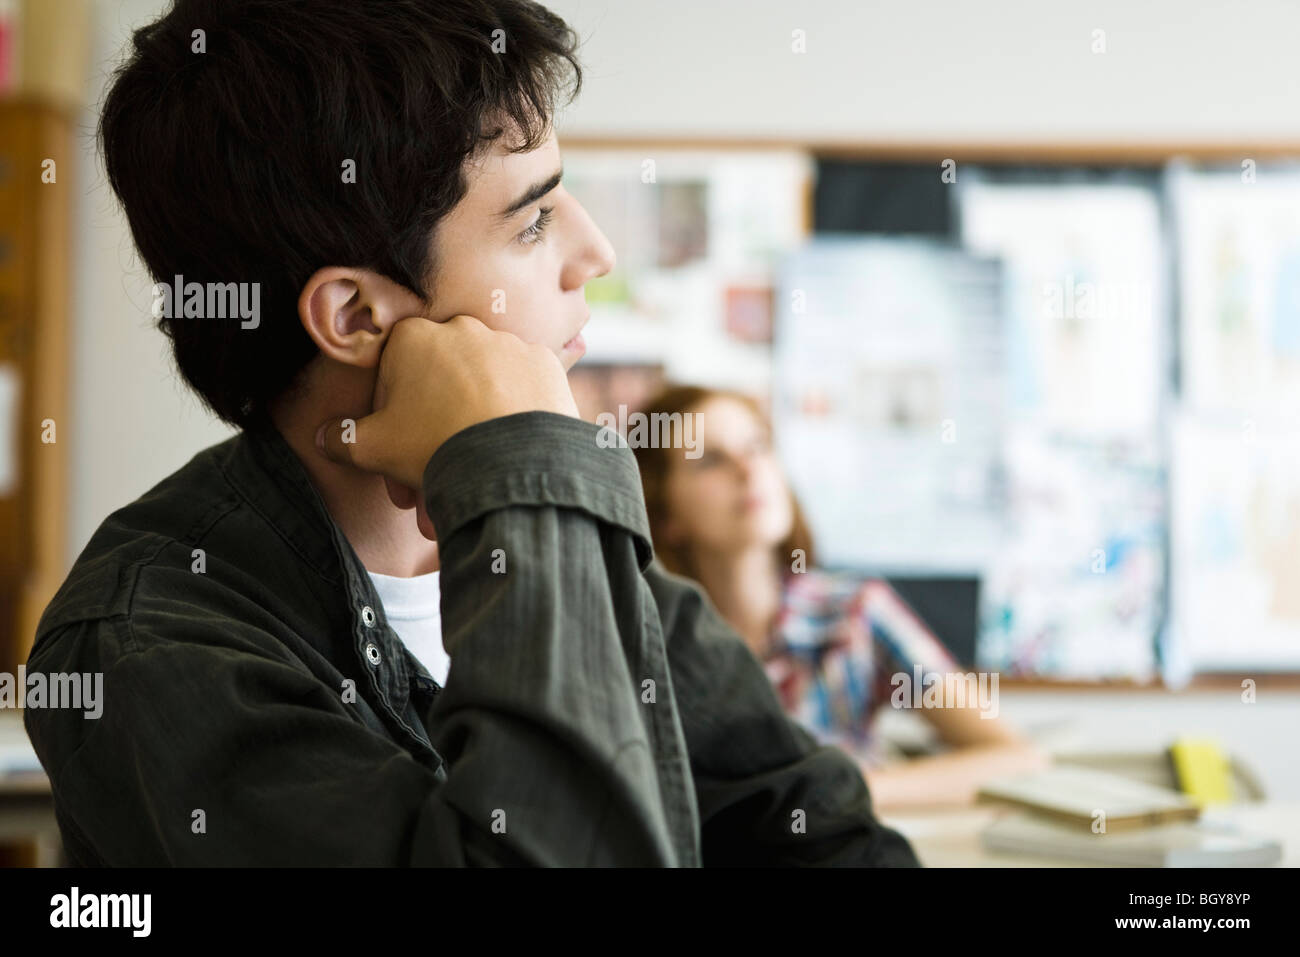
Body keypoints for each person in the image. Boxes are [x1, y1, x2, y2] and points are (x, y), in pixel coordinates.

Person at [22, 0, 920, 866]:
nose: (596, 252)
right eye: (533, 221)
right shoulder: (148, 645)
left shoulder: (590, 546)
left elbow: (823, 833)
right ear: (358, 315)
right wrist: (518, 461)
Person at [631, 385, 1051, 810]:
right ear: (665, 515)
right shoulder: (646, 644)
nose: (748, 469)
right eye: (710, 460)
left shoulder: (854, 612)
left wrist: (849, 790)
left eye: (758, 446)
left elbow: (1018, 759)